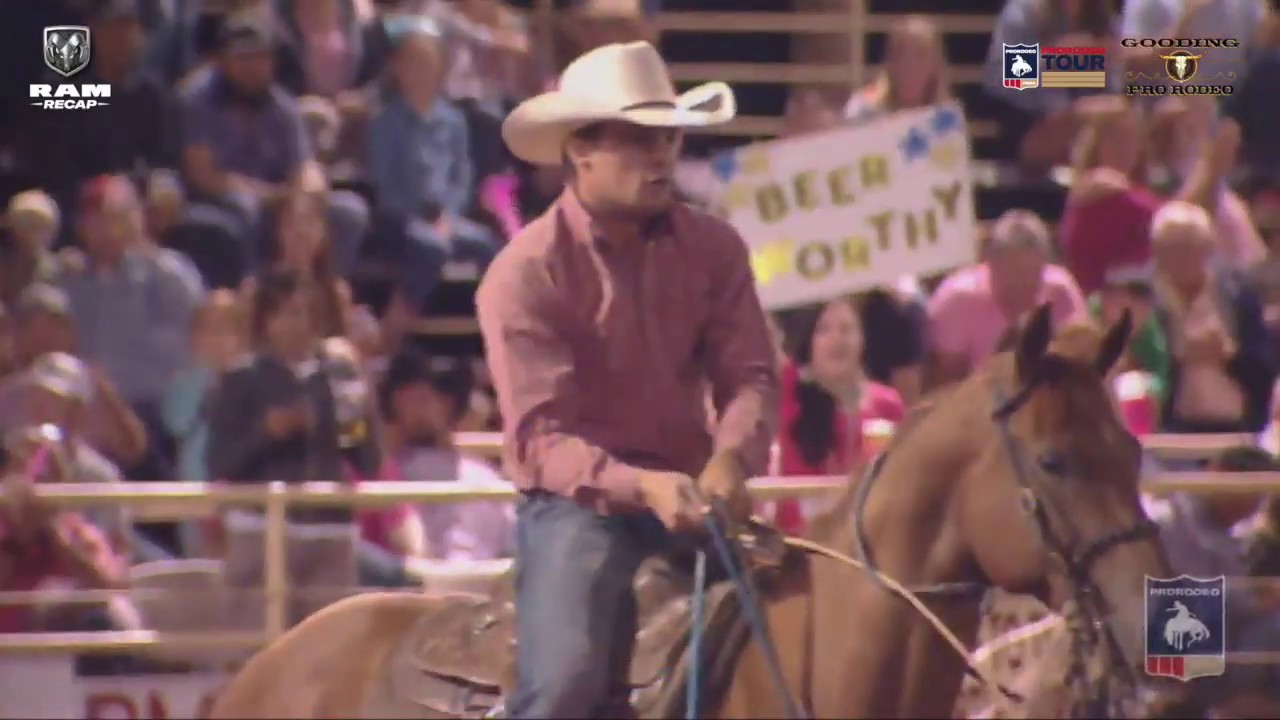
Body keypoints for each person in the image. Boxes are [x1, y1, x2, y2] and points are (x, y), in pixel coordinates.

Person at [476, 41, 778, 717]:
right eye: (638, 139)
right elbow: (542, 441)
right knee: (563, 687)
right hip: (579, 508)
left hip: (698, 492)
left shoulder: (715, 249)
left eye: (667, 136)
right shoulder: (527, 271)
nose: (661, 154)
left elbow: (751, 376)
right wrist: (643, 484)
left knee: (802, 635)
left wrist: (732, 456)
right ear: (580, 150)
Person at [770, 297, 905, 535]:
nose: (837, 339)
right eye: (824, 330)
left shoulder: (888, 403)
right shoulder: (789, 394)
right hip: (800, 544)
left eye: (847, 329)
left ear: (862, 340)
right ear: (809, 342)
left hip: (867, 536)